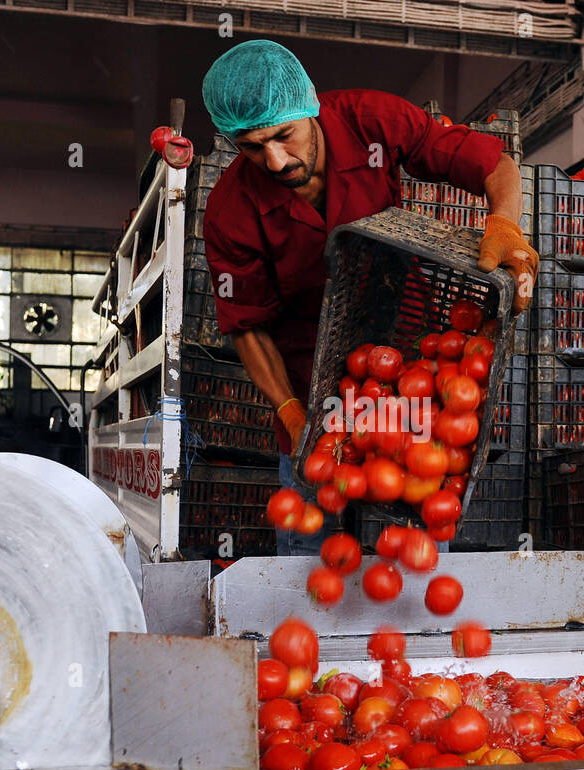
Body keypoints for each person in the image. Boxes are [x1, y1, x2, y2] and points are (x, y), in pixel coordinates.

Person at [201, 40, 538, 555]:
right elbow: (246, 323)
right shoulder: (230, 210)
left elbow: (495, 165)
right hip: (310, 381)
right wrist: (292, 411)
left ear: (309, 105)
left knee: (411, 542)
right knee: (310, 558)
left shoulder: (372, 121)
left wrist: (505, 225)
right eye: (250, 146)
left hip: (407, 361)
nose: (274, 160)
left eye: (283, 136)